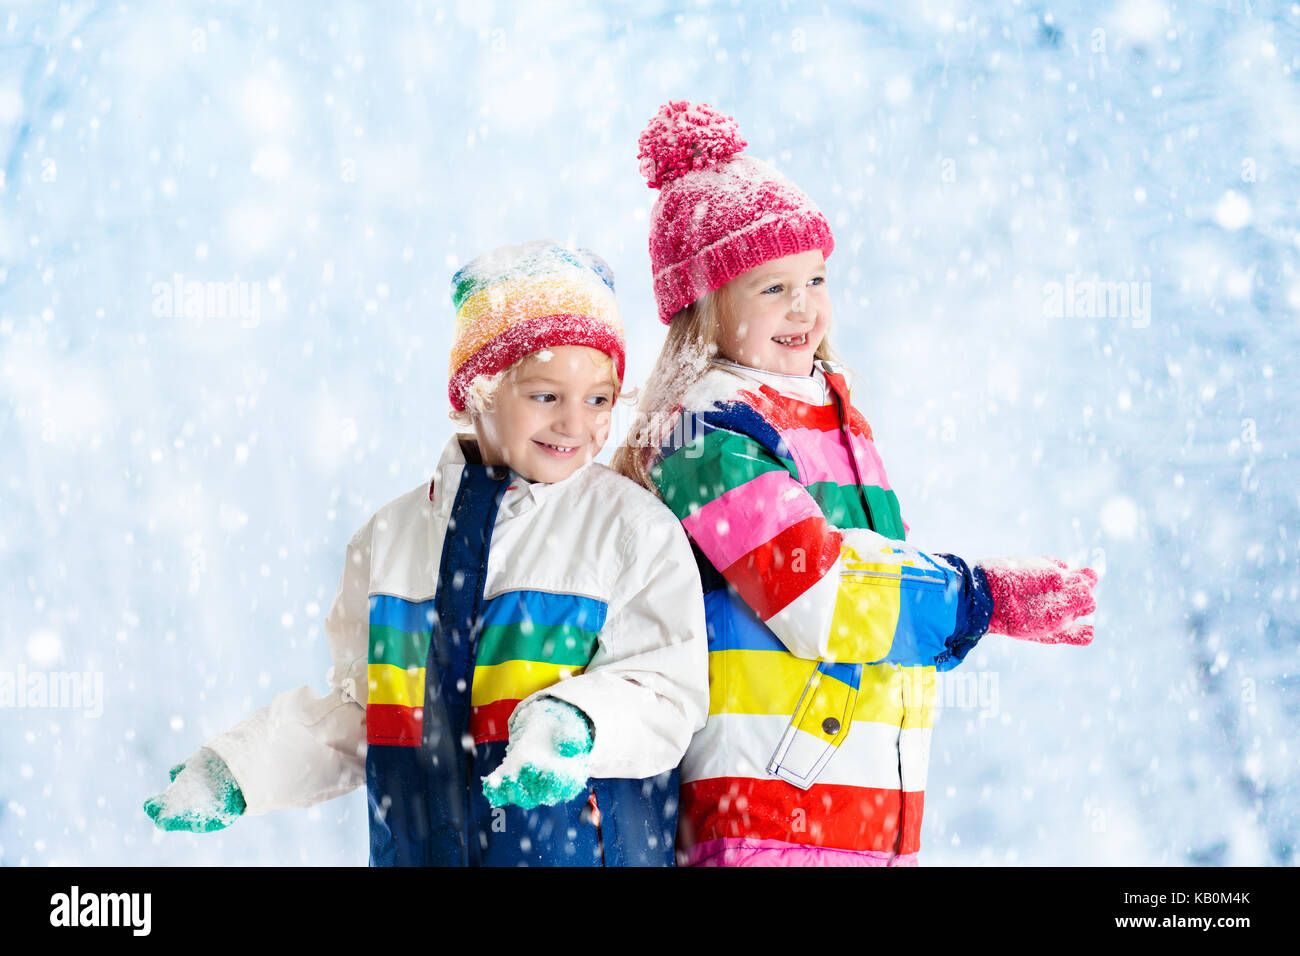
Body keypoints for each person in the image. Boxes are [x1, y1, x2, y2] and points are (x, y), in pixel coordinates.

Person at [613, 101, 1098, 867]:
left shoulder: (837, 418)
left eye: (815, 277)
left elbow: (874, 604)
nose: (803, 305)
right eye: (770, 287)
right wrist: (983, 596)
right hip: (767, 816)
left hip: (860, 817)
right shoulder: (705, 434)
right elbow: (821, 594)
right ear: (703, 309)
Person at [144, 240, 710, 866]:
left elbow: (666, 692)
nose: (576, 424)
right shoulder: (389, 542)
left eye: (599, 399)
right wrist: (241, 770)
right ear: (479, 392)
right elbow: (363, 715)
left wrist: (574, 725)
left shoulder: (629, 531)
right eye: (546, 396)